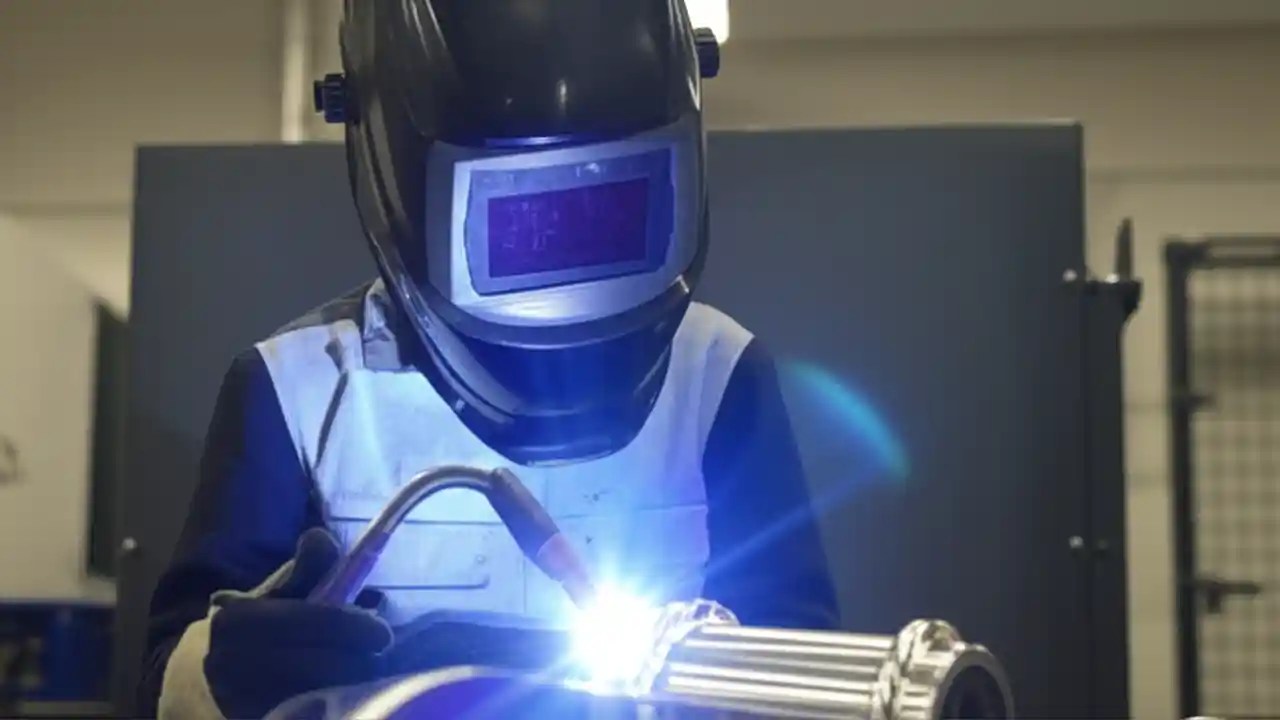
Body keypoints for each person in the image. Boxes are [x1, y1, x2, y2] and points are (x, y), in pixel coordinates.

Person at [140, 1, 838, 717]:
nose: (564, 281)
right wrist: (217, 670)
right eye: (527, 227)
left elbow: (802, 665)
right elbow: (165, 678)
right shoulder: (295, 387)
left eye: (607, 210)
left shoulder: (717, 373)